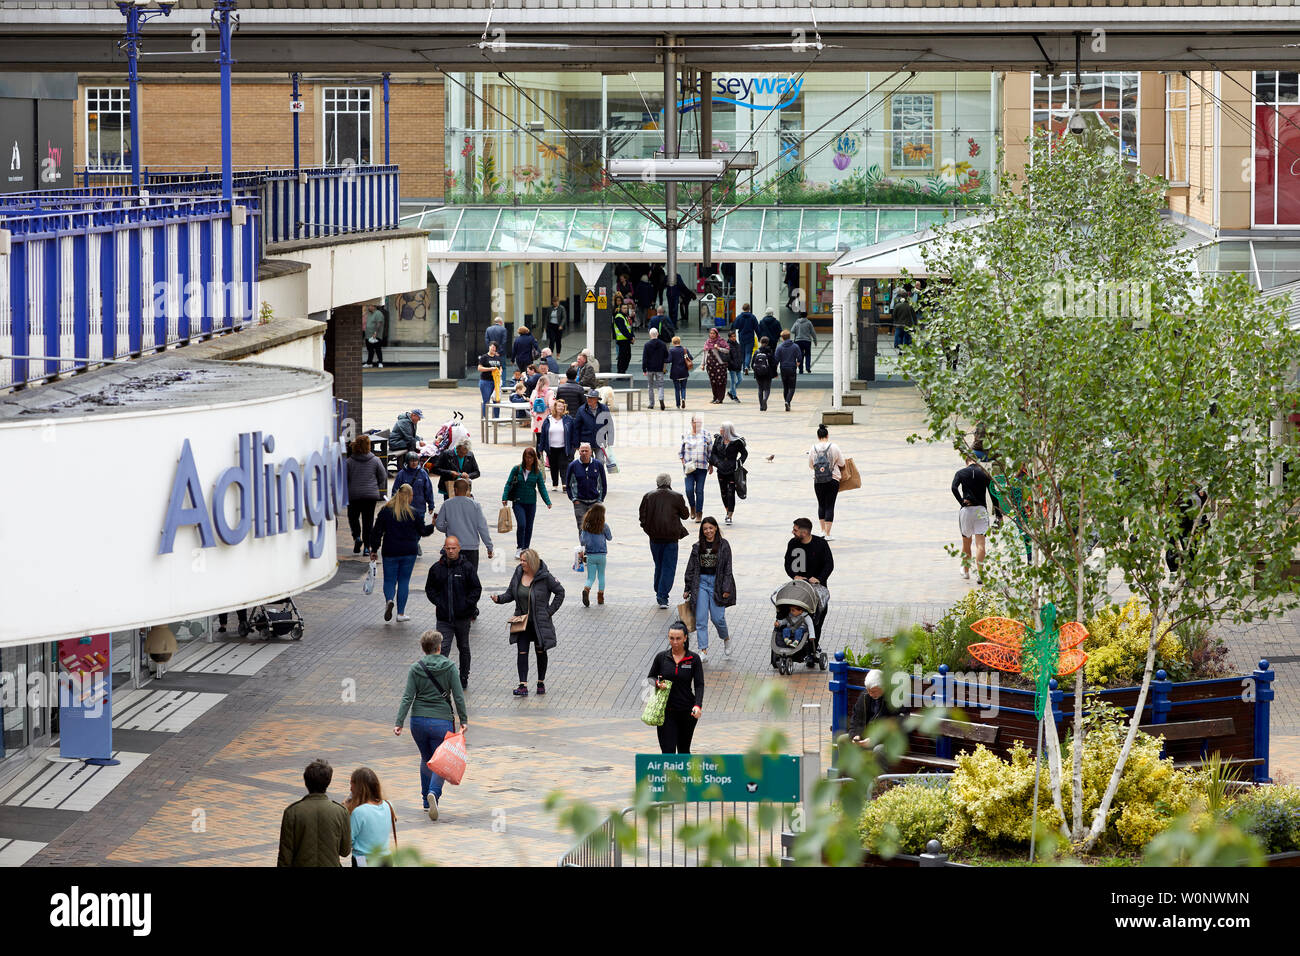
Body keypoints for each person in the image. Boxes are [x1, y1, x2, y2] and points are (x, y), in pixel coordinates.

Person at [393, 630, 468, 820]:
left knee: (426, 757)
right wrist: (464, 719)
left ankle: (426, 802)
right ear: (439, 647)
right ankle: (434, 793)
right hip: (441, 721)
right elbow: (458, 696)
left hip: (418, 721)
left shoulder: (415, 668)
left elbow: (408, 697)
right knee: (440, 761)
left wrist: (399, 722)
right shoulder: (450, 667)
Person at [491, 548, 565, 697]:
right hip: (522, 621)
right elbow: (510, 593)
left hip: (539, 623)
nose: (521, 563)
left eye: (524, 561)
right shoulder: (519, 573)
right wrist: (499, 599)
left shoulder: (545, 576)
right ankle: (523, 685)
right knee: (522, 652)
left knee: (540, 651)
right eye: (521, 560)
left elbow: (560, 592)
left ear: (531, 562)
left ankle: (540, 682)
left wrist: (549, 612)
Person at [372, 484, 435, 624]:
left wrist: (374, 549)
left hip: (390, 550)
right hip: (409, 551)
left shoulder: (385, 511)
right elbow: (423, 532)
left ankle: (389, 600)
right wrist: (433, 525)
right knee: (404, 581)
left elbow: (377, 532)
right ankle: (401, 613)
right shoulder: (414, 513)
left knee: (389, 580)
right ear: (409, 496)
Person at [425, 535, 481, 688]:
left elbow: (476, 588)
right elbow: (429, 589)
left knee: (463, 647)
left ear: (459, 548)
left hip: (463, 618)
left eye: (453, 548)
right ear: (444, 548)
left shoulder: (466, 567)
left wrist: (467, 605)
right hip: (444, 618)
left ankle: (463, 677)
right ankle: (440, 679)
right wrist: (440, 602)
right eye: (448, 548)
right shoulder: (437, 568)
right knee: (442, 648)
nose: (450, 551)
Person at [277, 759, 351, 867]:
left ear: (306, 782)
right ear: (328, 782)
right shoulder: (340, 811)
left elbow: (285, 855)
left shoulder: (292, 812)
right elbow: (345, 851)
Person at [646, 622, 704, 754]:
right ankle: (669, 775)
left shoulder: (693, 659)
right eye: (671, 638)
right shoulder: (662, 657)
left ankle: (683, 775)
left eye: (678, 638)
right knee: (668, 751)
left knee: (684, 750)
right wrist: (657, 683)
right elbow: (651, 677)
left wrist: (698, 705)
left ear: (685, 638)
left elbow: (699, 684)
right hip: (666, 712)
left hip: (687, 712)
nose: (675, 642)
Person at [683, 517, 736, 662]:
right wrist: (687, 587)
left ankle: (726, 638)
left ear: (716, 528)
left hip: (717, 585)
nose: (708, 531)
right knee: (700, 619)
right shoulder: (697, 546)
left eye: (711, 528)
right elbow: (691, 567)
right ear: (702, 531)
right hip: (701, 583)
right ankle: (703, 650)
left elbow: (728, 568)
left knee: (718, 618)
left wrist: (726, 588)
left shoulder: (724, 545)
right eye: (705, 529)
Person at [639, 473, 690, 610]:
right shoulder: (677, 496)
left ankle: (659, 590)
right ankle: (662, 596)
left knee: (659, 565)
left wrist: (648, 530)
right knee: (668, 567)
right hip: (671, 538)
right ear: (669, 482)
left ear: (657, 483)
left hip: (654, 537)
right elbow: (685, 515)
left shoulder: (648, 496)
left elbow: (642, 517)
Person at [503, 446, 553, 554]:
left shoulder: (537, 472)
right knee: (522, 524)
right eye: (526, 457)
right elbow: (508, 483)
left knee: (529, 526)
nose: (528, 460)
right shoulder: (516, 469)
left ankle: (526, 548)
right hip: (518, 501)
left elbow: (542, 488)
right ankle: (519, 547)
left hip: (531, 503)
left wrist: (547, 501)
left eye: (530, 458)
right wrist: (504, 497)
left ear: (534, 458)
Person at [435, 479, 494, 569]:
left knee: (453, 576)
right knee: (470, 577)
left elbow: (439, 524)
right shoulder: (475, 505)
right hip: (471, 547)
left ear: (455, 489)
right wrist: (489, 547)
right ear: (467, 490)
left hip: (453, 548)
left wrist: (449, 528)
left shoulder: (447, 504)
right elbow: (482, 527)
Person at [343, 768, 396, 866]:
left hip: (362, 859)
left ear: (358, 787)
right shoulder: (388, 805)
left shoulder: (359, 812)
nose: (350, 789)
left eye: (351, 785)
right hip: (385, 859)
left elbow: (349, 839)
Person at [952, 456, 993, 580]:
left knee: (966, 542)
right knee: (981, 544)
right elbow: (993, 493)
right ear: (977, 462)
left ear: (966, 462)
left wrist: (961, 502)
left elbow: (954, 488)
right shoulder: (985, 474)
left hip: (967, 511)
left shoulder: (961, 473)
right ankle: (980, 574)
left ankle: (966, 571)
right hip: (981, 510)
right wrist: (999, 514)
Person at [346, 435, 388, 557]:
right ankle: (367, 547)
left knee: (353, 517)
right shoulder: (375, 460)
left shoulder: (349, 462)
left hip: (354, 495)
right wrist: (375, 485)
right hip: (370, 496)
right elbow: (383, 476)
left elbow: (344, 478)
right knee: (368, 521)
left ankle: (357, 536)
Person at [809, 424, 847, 540]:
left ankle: (822, 531)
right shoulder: (834, 447)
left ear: (818, 436)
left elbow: (811, 466)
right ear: (827, 435)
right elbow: (842, 463)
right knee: (830, 506)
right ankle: (828, 534)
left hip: (818, 480)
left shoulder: (813, 448)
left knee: (821, 505)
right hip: (833, 479)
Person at [565, 443, 607, 541]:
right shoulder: (573, 465)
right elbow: (568, 485)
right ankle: (583, 551)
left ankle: (593, 549)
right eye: (582, 451)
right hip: (580, 502)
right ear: (578, 452)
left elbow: (603, 483)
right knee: (582, 528)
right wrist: (574, 499)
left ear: (591, 452)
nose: (584, 453)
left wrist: (600, 500)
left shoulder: (598, 465)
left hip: (595, 503)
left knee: (596, 527)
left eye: (586, 451)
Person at [847, 669, 896, 752]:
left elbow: (894, 726)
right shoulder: (865, 695)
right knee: (842, 740)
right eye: (868, 690)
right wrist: (855, 735)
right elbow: (856, 719)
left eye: (874, 691)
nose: (870, 694)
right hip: (865, 737)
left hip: (885, 740)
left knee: (878, 750)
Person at [710, 421, 748, 526]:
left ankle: (729, 515)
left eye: (722, 428)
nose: (720, 429)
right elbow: (713, 453)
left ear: (727, 430)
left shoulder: (737, 442)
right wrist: (715, 463)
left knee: (731, 492)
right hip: (721, 470)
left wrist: (738, 463)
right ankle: (727, 510)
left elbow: (744, 454)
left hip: (732, 471)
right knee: (723, 492)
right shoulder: (718, 439)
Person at [579, 503, 613, 606]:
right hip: (602, 555)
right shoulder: (604, 526)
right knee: (601, 576)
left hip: (590, 555)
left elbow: (583, 541)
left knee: (591, 577)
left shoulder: (586, 526)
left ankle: (586, 589)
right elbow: (610, 538)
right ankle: (600, 597)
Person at [679, 414, 711, 522]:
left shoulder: (706, 434)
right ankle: (692, 507)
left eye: (700, 423)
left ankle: (699, 513)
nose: (699, 424)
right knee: (688, 490)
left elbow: (710, 450)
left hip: (702, 467)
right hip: (689, 467)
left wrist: (711, 464)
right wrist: (682, 460)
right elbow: (681, 450)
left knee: (699, 490)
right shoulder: (686, 434)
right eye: (696, 422)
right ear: (692, 423)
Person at [784, 517, 834, 585]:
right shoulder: (792, 543)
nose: (792, 532)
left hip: (818, 585)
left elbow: (829, 564)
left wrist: (820, 579)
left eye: (795, 530)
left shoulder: (821, 543)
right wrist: (794, 576)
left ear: (804, 533)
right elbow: (787, 563)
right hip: (798, 586)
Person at [539, 399, 574, 489]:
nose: (561, 408)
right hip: (551, 448)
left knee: (563, 465)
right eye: (559, 406)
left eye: (562, 406)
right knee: (553, 466)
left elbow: (573, 433)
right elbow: (543, 434)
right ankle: (555, 484)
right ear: (555, 407)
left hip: (563, 447)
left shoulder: (568, 419)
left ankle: (564, 484)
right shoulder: (548, 419)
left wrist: (574, 446)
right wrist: (541, 448)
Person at [394, 451, 437, 526]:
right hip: (405, 509)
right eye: (411, 461)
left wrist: (431, 505)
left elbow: (428, 490)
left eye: (416, 460)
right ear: (407, 462)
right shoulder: (401, 474)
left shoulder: (423, 473)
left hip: (419, 508)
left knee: (418, 531)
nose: (414, 463)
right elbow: (395, 490)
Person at [574, 388, 612, 462]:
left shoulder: (604, 409)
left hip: (600, 441)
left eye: (591, 398)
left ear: (597, 399)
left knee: (600, 461)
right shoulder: (581, 410)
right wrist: (576, 444)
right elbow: (576, 427)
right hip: (586, 441)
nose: (589, 399)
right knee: (587, 461)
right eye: (588, 397)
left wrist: (610, 440)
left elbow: (609, 425)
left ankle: (599, 474)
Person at [642, 326, 670, 411]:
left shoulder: (647, 345)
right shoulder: (662, 344)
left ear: (650, 335)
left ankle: (651, 404)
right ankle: (661, 398)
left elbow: (645, 358)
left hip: (650, 368)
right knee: (660, 385)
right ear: (657, 334)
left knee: (650, 386)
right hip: (659, 368)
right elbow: (666, 356)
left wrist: (644, 369)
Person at [774, 329, 801, 411]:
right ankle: (788, 401)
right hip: (792, 368)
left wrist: (775, 371)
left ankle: (786, 402)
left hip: (783, 368)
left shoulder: (779, 347)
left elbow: (776, 360)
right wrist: (797, 363)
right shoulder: (795, 346)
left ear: (782, 338)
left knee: (785, 387)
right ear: (790, 336)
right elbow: (799, 357)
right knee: (792, 387)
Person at [702, 326, 730, 404]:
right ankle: (715, 397)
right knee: (713, 381)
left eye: (713, 333)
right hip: (710, 366)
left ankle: (720, 398)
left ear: (716, 334)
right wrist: (703, 364)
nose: (712, 335)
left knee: (720, 382)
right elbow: (704, 353)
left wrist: (719, 348)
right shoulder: (707, 342)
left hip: (720, 365)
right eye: (710, 333)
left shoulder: (721, 341)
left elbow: (727, 350)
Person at [478, 341, 505, 419]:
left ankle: (496, 418)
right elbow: (479, 368)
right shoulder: (484, 357)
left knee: (496, 400)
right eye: (492, 347)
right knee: (486, 400)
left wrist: (500, 371)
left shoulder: (497, 358)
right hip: (486, 381)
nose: (493, 349)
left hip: (496, 381)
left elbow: (500, 367)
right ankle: (485, 418)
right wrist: (490, 369)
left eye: (495, 348)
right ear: (489, 347)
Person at [668, 335, 693, 409]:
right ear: (679, 342)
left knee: (677, 389)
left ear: (673, 342)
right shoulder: (685, 349)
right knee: (683, 388)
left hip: (675, 372)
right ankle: (683, 398)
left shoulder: (671, 350)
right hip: (684, 371)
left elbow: (669, 360)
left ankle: (678, 404)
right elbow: (691, 358)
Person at [732, 303, 759, 373]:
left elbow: (735, 326)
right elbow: (757, 328)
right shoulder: (752, 317)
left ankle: (744, 368)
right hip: (750, 337)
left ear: (742, 308)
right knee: (748, 353)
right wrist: (759, 336)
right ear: (749, 309)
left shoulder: (739, 317)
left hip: (742, 337)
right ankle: (747, 366)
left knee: (743, 353)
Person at [752, 336, 776, 412]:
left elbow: (752, 364)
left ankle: (761, 406)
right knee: (767, 389)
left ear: (760, 342)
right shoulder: (769, 351)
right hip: (767, 373)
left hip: (758, 374)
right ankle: (765, 400)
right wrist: (774, 373)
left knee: (760, 389)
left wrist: (756, 371)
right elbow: (773, 363)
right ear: (768, 343)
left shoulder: (757, 351)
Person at [612, 303, 635, 374]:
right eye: (624, 308)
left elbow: (629, 328)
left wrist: (632, 336)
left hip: (626, 340)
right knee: (623, 357)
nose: (625, 309)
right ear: (620, 309)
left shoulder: (625, 316)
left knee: (627, 356)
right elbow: (623, 329)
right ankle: (621, 372)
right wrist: (631, 337)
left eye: (626, 308)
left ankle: (623, 371)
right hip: (622, 340)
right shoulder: (619, 317)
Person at [891, 283, 915, 350]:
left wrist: (895, 322)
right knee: (906, 338)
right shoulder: (910, 306)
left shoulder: (897, 305)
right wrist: (915, 324)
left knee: (900, 337)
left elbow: (894, 315)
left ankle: (900, 350)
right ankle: (905, 350)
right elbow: (913, 316)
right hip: (907, 325)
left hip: (899, 324)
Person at [364, 303, 385, 368]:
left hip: (376, 335)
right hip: (368, 335)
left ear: (374, 306)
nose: (368, 307)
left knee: (378, 349)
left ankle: (380, 362)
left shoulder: (378, 313)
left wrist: (375, 333)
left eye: (369, 306)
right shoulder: (369, 314)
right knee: (370, 350)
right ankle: (369, 363)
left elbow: (379, 323)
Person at [725, 329, 743, 401]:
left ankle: (730, 392)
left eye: (734, 336)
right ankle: (734, 396)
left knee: (740, 379)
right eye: (732, 336)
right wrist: (732, 363)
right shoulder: (728, 345)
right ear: (729, 337)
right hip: (732, 366)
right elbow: (728, 357)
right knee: (733, 381)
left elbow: (740, 354)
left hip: (738, 365)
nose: (734, 338)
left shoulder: (737, 344)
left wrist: (741, 362)